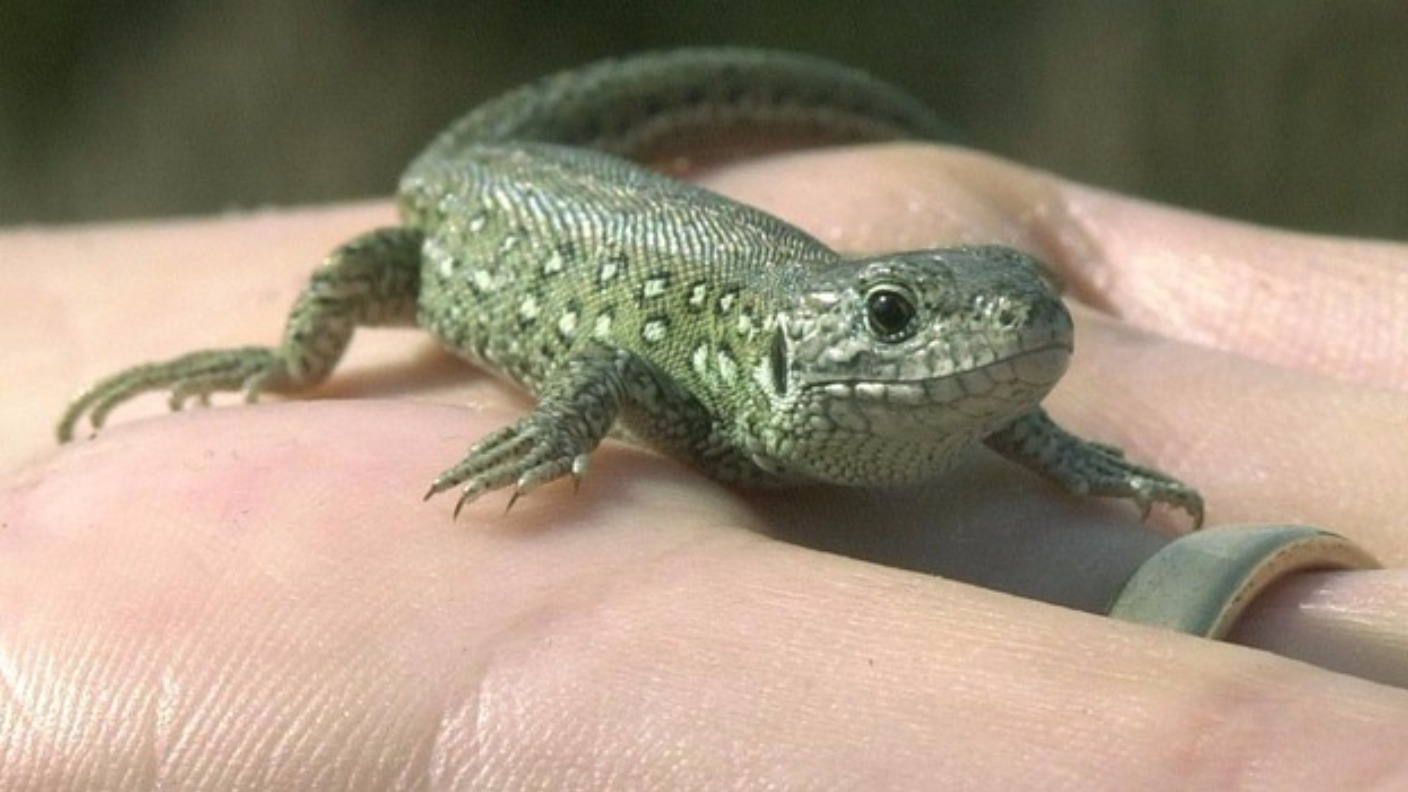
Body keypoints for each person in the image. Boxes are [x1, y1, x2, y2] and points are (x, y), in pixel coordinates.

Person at [2, 142, 1405, 788]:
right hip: (478, 211)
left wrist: (1057, 447)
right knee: (378, 270)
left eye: (1024, 309)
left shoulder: (857, 390)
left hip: (576, 201)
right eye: (899, 319)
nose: (1010, 336)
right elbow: (613, 371)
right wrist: (553, 432)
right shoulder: (732, 390)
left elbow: (990, 382)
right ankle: (278, 362)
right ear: (815, 344)